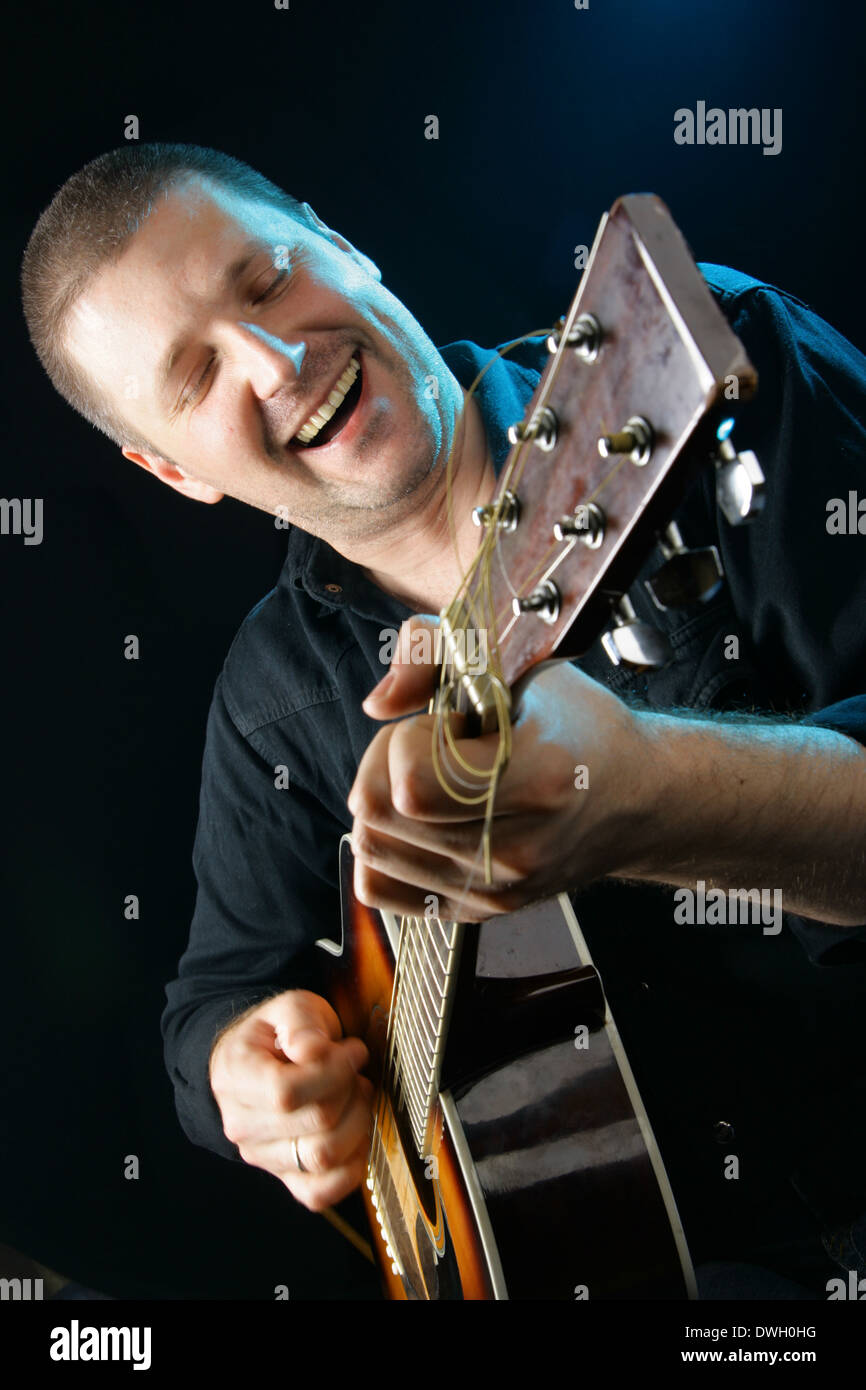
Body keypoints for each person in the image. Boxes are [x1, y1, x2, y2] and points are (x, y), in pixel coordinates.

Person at [21, 143, 866, 1295]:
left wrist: (652, 798)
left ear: (343, 245)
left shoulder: (695, 368)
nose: (273, 364)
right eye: (192, 377)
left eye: (268, 280)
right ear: (174, 472)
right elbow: (211, 998)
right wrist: (245, 1072)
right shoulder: (275, 699)